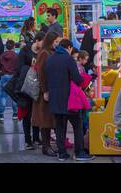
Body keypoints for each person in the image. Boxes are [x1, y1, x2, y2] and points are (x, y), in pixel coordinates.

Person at [42, 33, 89, 161]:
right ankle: (79, 152)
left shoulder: (50, 59)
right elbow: (77, 79)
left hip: (55, 99)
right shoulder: (68, 60)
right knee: (77, 125)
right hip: (69, 100)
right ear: (68, 48)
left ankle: (62, 153)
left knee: (60, 127)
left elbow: (46, 77)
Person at [32, 34, 58, 156]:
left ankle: (47, 146)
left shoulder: (49, 52)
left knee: (48, 120)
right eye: (56, 41)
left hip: (50, 90)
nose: (57, 43)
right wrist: (45, 90)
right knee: (45, 120)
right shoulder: (44, 53)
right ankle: (46, 146)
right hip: (45, 93)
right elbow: (41, 73)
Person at [0, 40, 19, 118]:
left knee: (3, 95)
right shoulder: (16, 55)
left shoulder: (2, 55)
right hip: (14, 76)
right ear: (14, 46)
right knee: (14, 95)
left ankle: (1, 114)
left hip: (4, 76)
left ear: (6, 46)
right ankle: (15, 113)